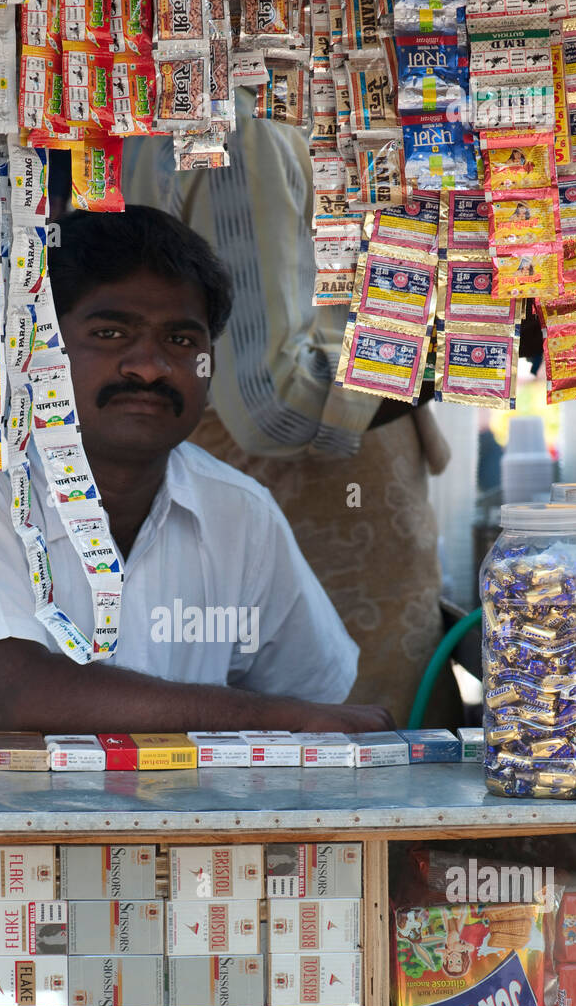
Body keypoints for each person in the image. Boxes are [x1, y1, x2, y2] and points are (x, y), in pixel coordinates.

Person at [0, 206, 391, 738]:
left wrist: (286, 720)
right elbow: (7, 695)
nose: (150, 367)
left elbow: (315, 698)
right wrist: (270, 718)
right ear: (33, 348)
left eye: (182, 340)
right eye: (110, 333)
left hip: (121, 839)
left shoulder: (237, 509)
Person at [123, 100, 452, 725]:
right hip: (309, 512)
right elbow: (274, 402)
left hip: (318, 508)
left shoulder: (249, 113)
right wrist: (459, 355)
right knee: (331, 767)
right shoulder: (246, 131)